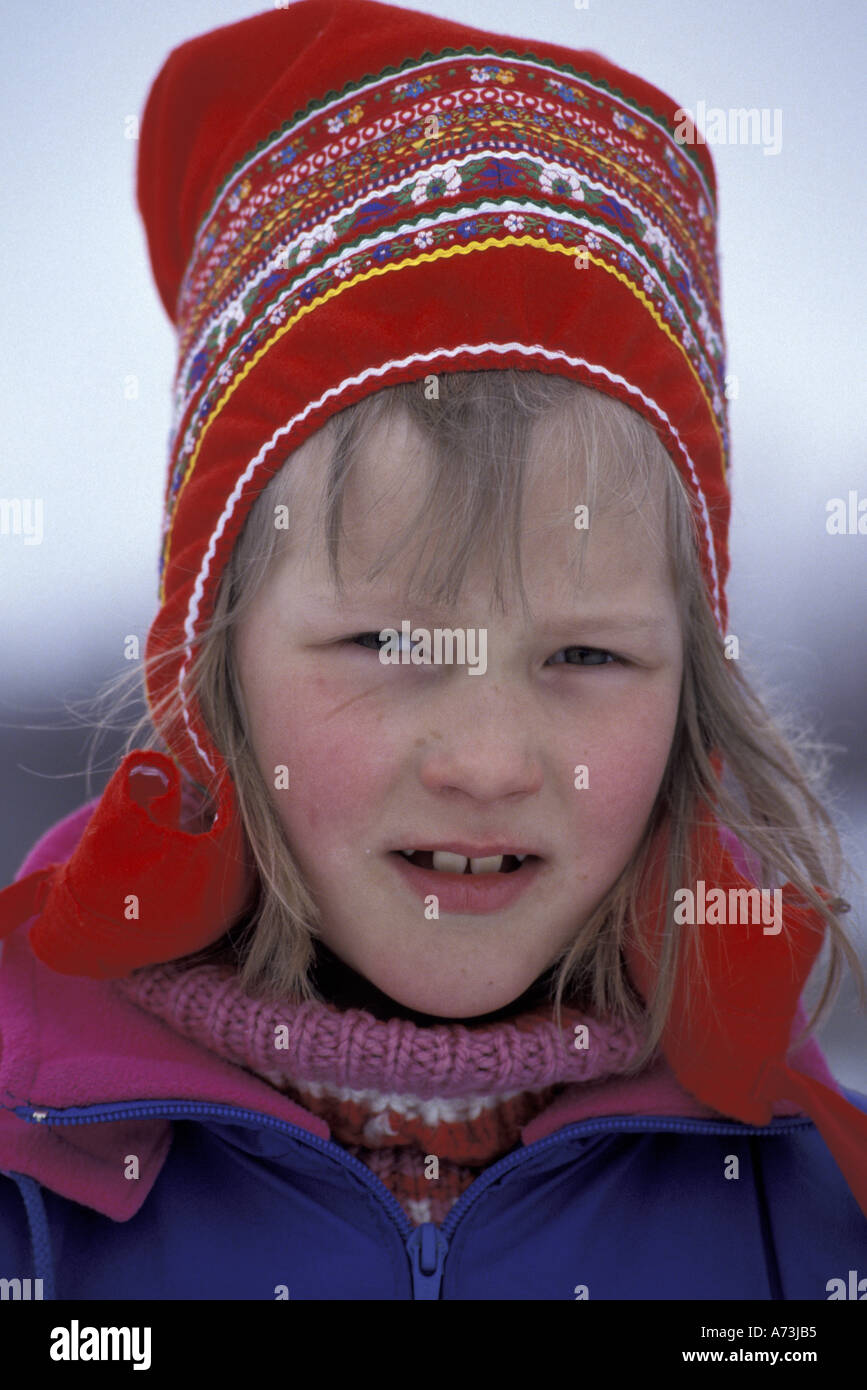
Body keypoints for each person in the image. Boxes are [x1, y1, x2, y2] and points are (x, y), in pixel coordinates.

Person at [0, 0, 865, 1301]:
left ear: (695, 690)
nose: (490, 759)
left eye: (586, 656)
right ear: (215, 671)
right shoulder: (35, 1182)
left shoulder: (806, 1212)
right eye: (388, 641)